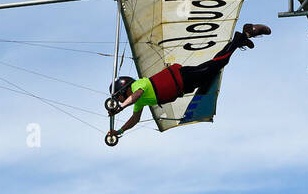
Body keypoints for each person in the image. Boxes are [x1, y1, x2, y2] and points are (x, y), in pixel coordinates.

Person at [108, 24, 272, 138]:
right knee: (216, 65)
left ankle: (245, 34)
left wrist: (121, 107)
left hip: (183, 77)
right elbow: (135, 119)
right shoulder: (139, 103)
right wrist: (119, 131)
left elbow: (135, 95)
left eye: (118, 97)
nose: (118, 100)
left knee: (217, 64)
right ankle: (239, 39)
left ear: (123, 89)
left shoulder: (138, 86)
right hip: (186, 86)